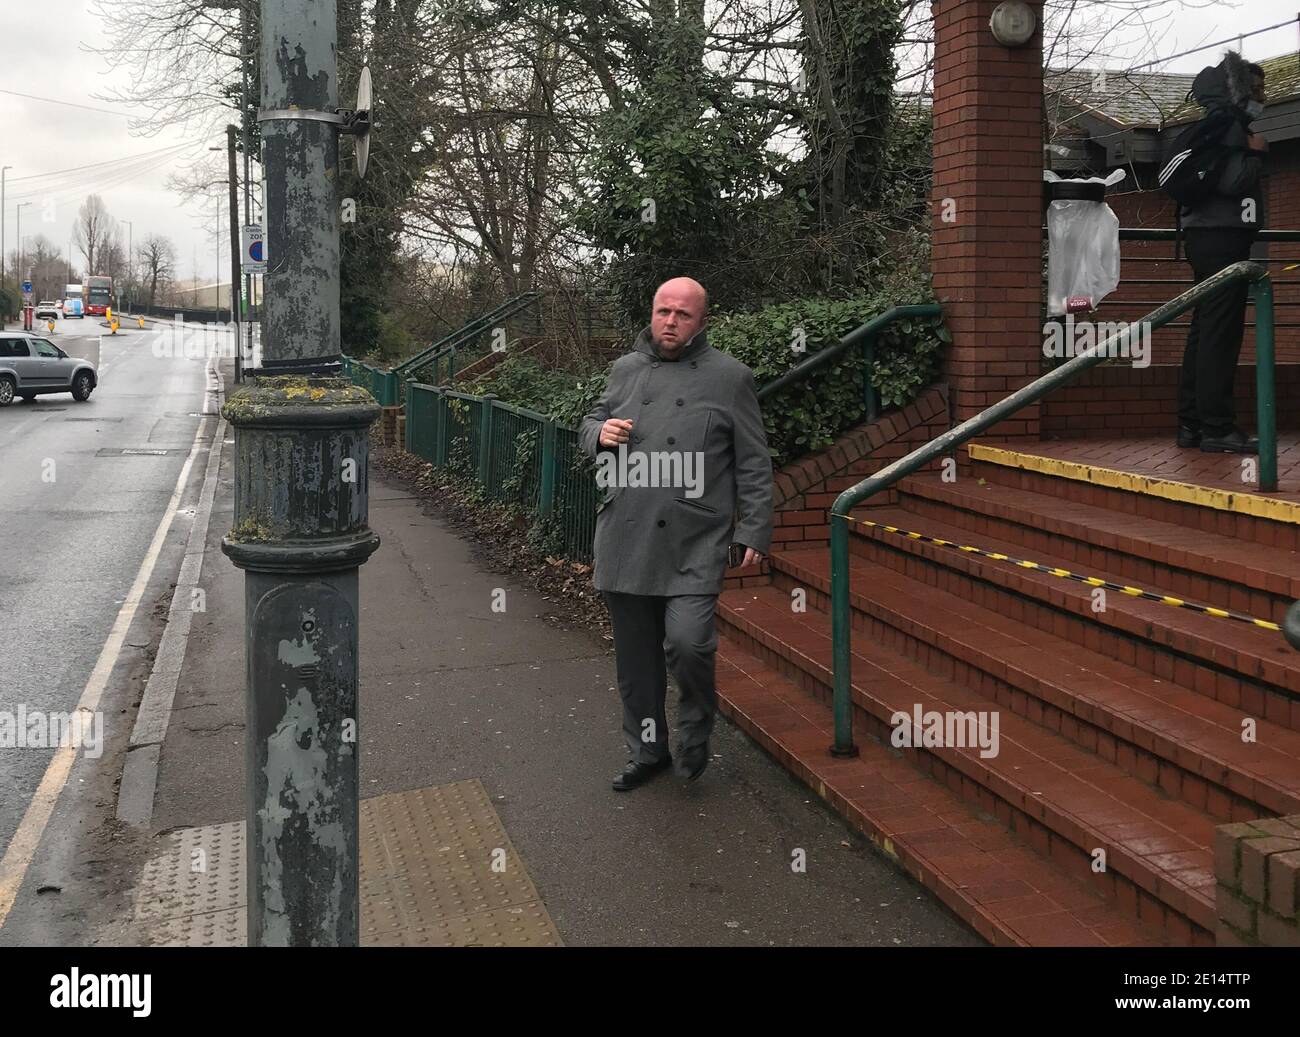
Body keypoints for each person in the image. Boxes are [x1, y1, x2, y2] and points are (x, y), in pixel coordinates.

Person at [580, 277, 773, 791]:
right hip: (625, 535)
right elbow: (591, 420)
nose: (670, 321)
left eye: (682, 315)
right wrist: (599, 434)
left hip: (694, 538)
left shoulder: (730, 378)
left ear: (702, 321)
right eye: (663, 311)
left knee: (689, 645)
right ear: (651, 312)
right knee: (636, 664)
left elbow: (753, 461)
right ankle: (647, 752)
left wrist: (754, 526)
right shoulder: (626, 369)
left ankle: (694, 731)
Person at [1176, 52, 1268, 454]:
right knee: (1220, 334)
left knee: (1204, 331)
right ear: (1241, 91)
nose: (1263, 96)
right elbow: (1232, 183)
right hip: (1222, 241)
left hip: (1203, 239)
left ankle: (1192, 424)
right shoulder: (1233, 129)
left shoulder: (1215, 126)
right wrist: (1256, 151)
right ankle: (1217, 428)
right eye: (1258, 89)